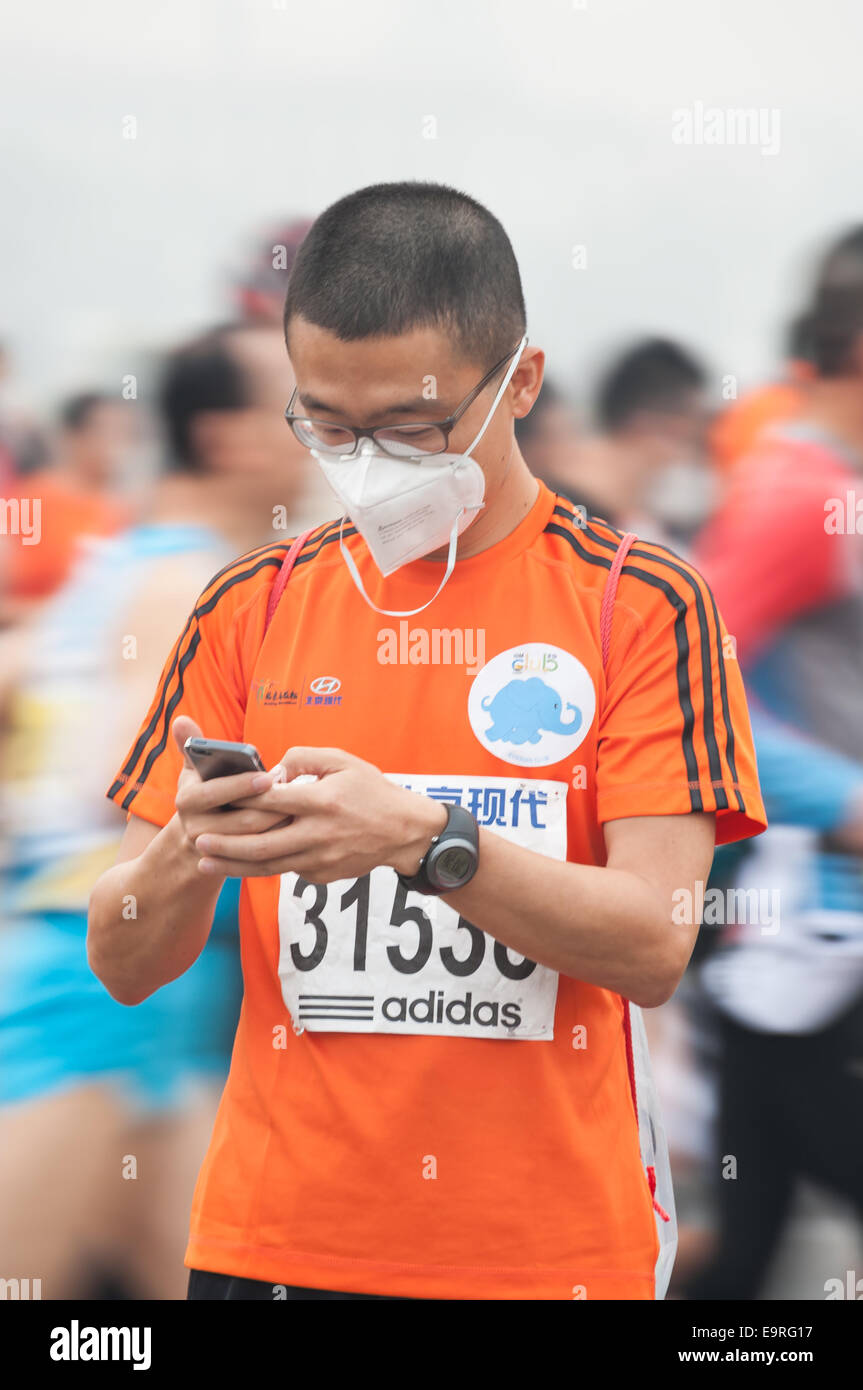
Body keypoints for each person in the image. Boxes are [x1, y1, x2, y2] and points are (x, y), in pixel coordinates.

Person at [88, 180, 767, 1302]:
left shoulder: (638, 606)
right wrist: (183, 853)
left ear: (522, 383)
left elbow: (652, 942)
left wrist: (423, 839)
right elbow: (122, 960)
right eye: (327, 423)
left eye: (411, 426)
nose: (367, 460)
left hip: (548, 1257)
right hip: (269, 1245)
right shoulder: (246, 606)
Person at [0, 322, 311, 1299]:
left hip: (144, 993)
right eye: (298, 410)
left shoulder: (117, 561)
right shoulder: (195, 585)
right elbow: (130, 779)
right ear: (227, 439)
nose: (325, 437)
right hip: (97, 986)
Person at [687, 230, 863, 1300]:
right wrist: (841, 796)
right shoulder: (792, 489)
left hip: (823, 934)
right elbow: (688, 677)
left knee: (742, 1252)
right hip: (799, 922)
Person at [541, 338, 712, 545]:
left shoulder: (633, 521)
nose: (702, 458)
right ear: (652, 425)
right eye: (697, 439)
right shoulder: (565, 520)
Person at [1, 392, 135, 624]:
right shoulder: (30, 500)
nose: (118, 447)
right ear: (73, 436)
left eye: (126, 435)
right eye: (106, 432)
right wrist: (62, 614)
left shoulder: (121, 513)